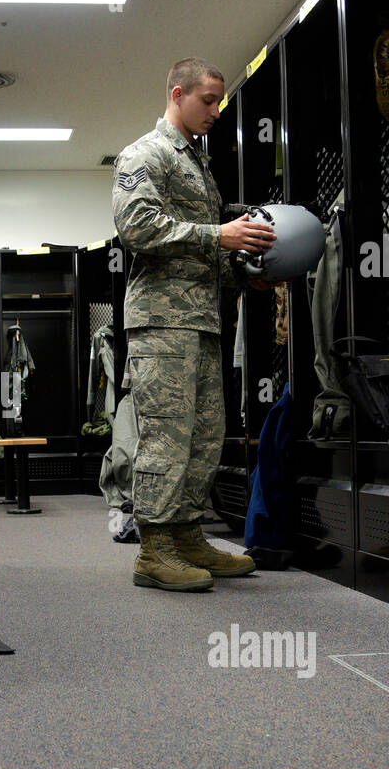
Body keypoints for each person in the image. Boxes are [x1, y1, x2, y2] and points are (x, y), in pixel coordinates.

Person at [111, 57, 276, 592]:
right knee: (166, 435)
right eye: (207, 100)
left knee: (206, 437)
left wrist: (237, 272)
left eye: (220, 103)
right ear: (177, 93)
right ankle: (153, 551)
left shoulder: (198, 163)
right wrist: (218, 237)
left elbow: (202, 245)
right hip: (161, 323)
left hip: (203, 321)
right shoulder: (146, 153)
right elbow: (136, 227)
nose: (214, 111)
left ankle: (187, 536)